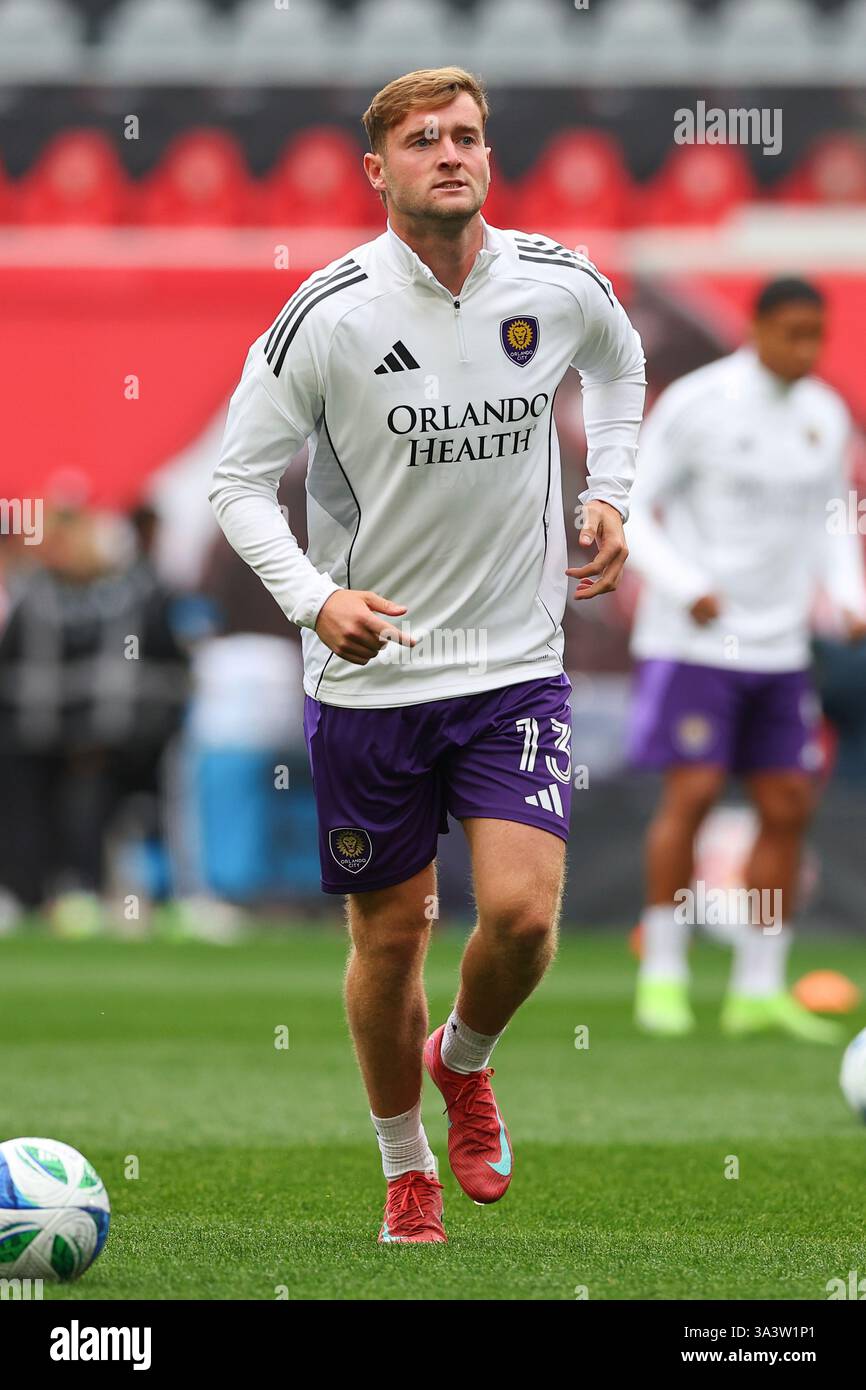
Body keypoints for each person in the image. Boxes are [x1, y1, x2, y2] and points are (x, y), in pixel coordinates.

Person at [210, 67, 645, 1243]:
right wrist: (314, 598)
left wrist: (608, 490)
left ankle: (465, 1059)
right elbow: (236, 481)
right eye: (421, 140)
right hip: (373, 681)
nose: (449, 154)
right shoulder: (328, 313)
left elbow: (616, 360)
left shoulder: (553, 281)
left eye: (466, 137)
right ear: (377, 171)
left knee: (518, 919)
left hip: (512, 665)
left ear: (487, 157)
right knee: (389, 934)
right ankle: (403, 1165)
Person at [626, 277, 866, 1042]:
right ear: (757, 329)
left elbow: (830, 520)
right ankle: (663, 974)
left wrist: (850, 593)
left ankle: (758, 985)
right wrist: (685, 583)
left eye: (815, 335)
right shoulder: (698, 403)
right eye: (792, 333)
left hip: (781, 645)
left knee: (788, 804)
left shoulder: (823, 415)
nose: (805, 349)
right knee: (692, 795)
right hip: (695, 643)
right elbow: (630, 504)